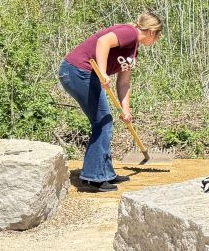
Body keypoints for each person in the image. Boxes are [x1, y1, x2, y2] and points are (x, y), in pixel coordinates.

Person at [58, 12, 163, 193]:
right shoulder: (129, 32)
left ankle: (105, 172)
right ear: (152, 32)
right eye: (159, 36)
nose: (157, 40)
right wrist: (103, 71)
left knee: (104, 121)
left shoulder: (133, 50)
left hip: (85, 74)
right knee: (103, 121)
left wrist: (126, 110)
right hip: (77, 71)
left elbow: (124, 82)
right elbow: (103, 42)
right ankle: (93, 178)